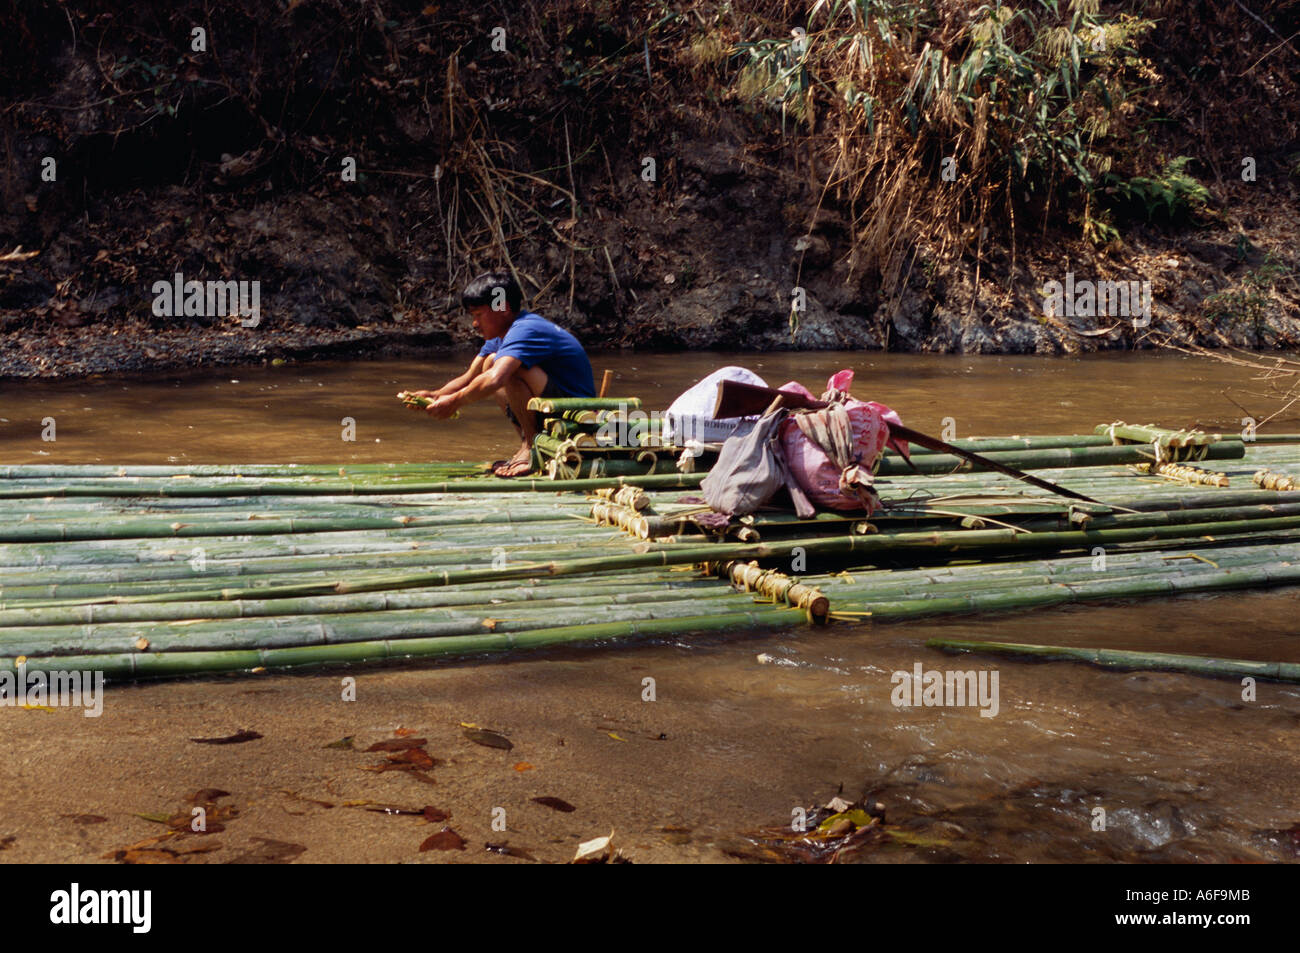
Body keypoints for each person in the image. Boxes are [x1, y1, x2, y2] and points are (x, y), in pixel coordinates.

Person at [404, 271, 595, 477]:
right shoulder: (501, 335)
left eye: (478, 315)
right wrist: (436, 395)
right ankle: (527, 443)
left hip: (575, 413)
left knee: (500, 368)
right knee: (490, 362)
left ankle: (532, 448)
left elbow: (496, 378)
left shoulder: (526, 329)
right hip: (550, 407)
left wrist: (455, 402)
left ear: (501, 307)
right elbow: (470, 377)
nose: (475, 324)